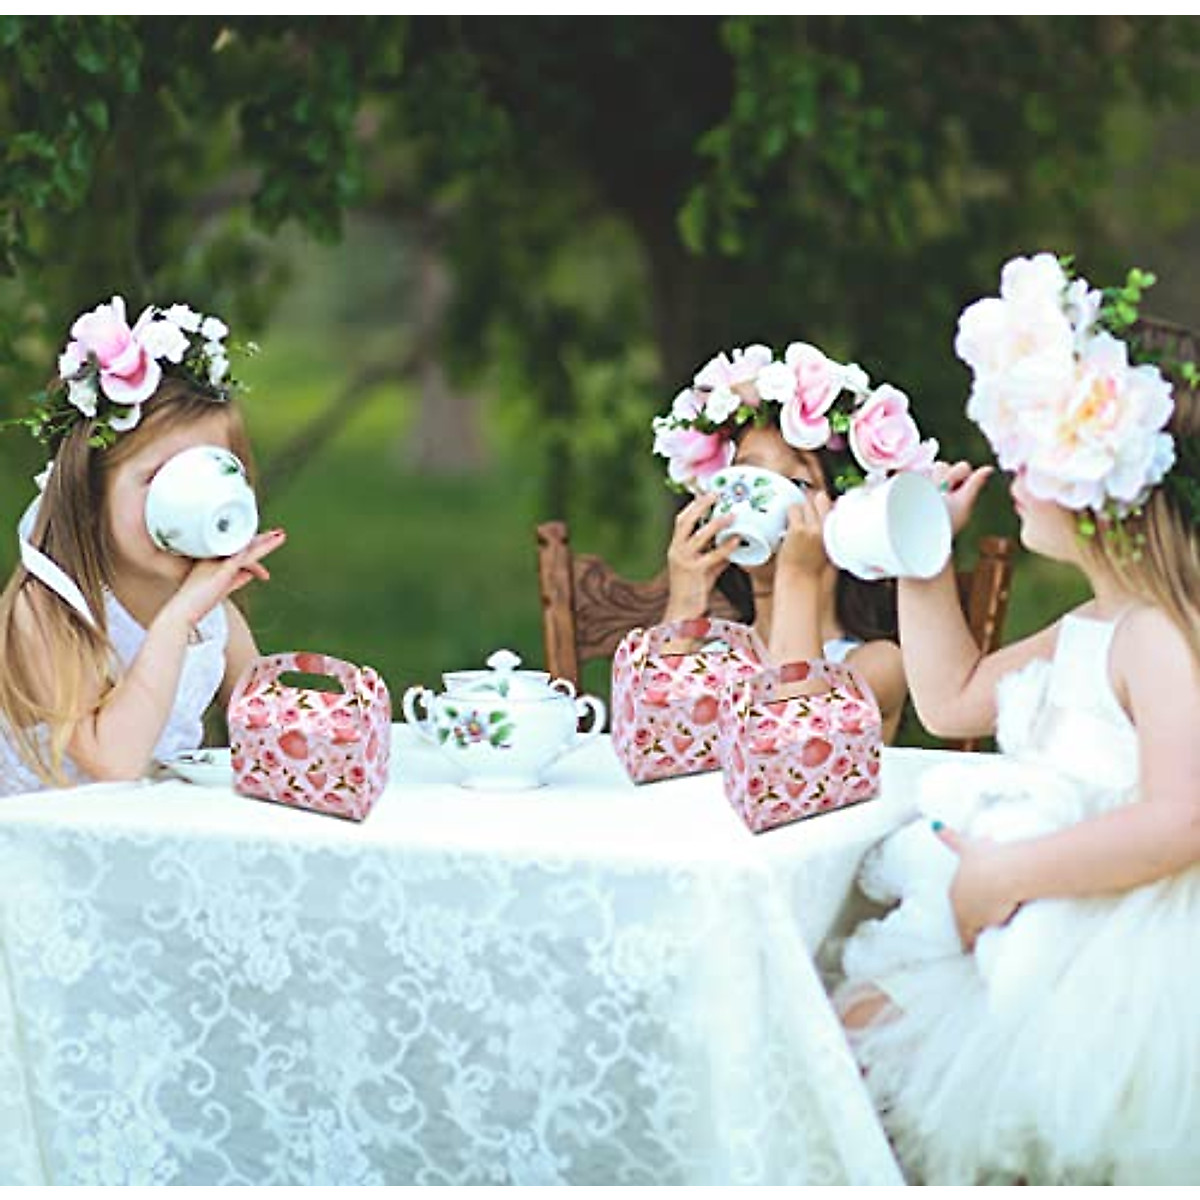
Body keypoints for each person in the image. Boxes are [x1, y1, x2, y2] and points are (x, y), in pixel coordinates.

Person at [835, 254, 1200, 1184]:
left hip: (1105, 957)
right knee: (840, 1048)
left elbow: (1183, 816)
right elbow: (952, 697)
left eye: (1038, 454)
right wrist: (922, 557)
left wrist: (1005, 876)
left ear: (1112, 483)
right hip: (1021, 929)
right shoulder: (1093, 626)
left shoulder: (1158, 635)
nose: (1011, 471)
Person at [0, 296, 286, 795]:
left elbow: (278, 734)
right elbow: (115, 764)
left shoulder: (212, 618)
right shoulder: (52, 613)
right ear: (91, 497)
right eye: (160, 478)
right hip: (44, 839)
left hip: (146, 833)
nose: (191, 500)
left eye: (212, 471)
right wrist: (177, 620)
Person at [653, 341, 933, 743]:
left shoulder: (875, 665)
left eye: (799, 483)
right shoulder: (715, 659)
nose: (765, 497)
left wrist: (799, 575)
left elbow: (789, 745)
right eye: (749, 476)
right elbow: (653, 744)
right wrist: (684, 606)